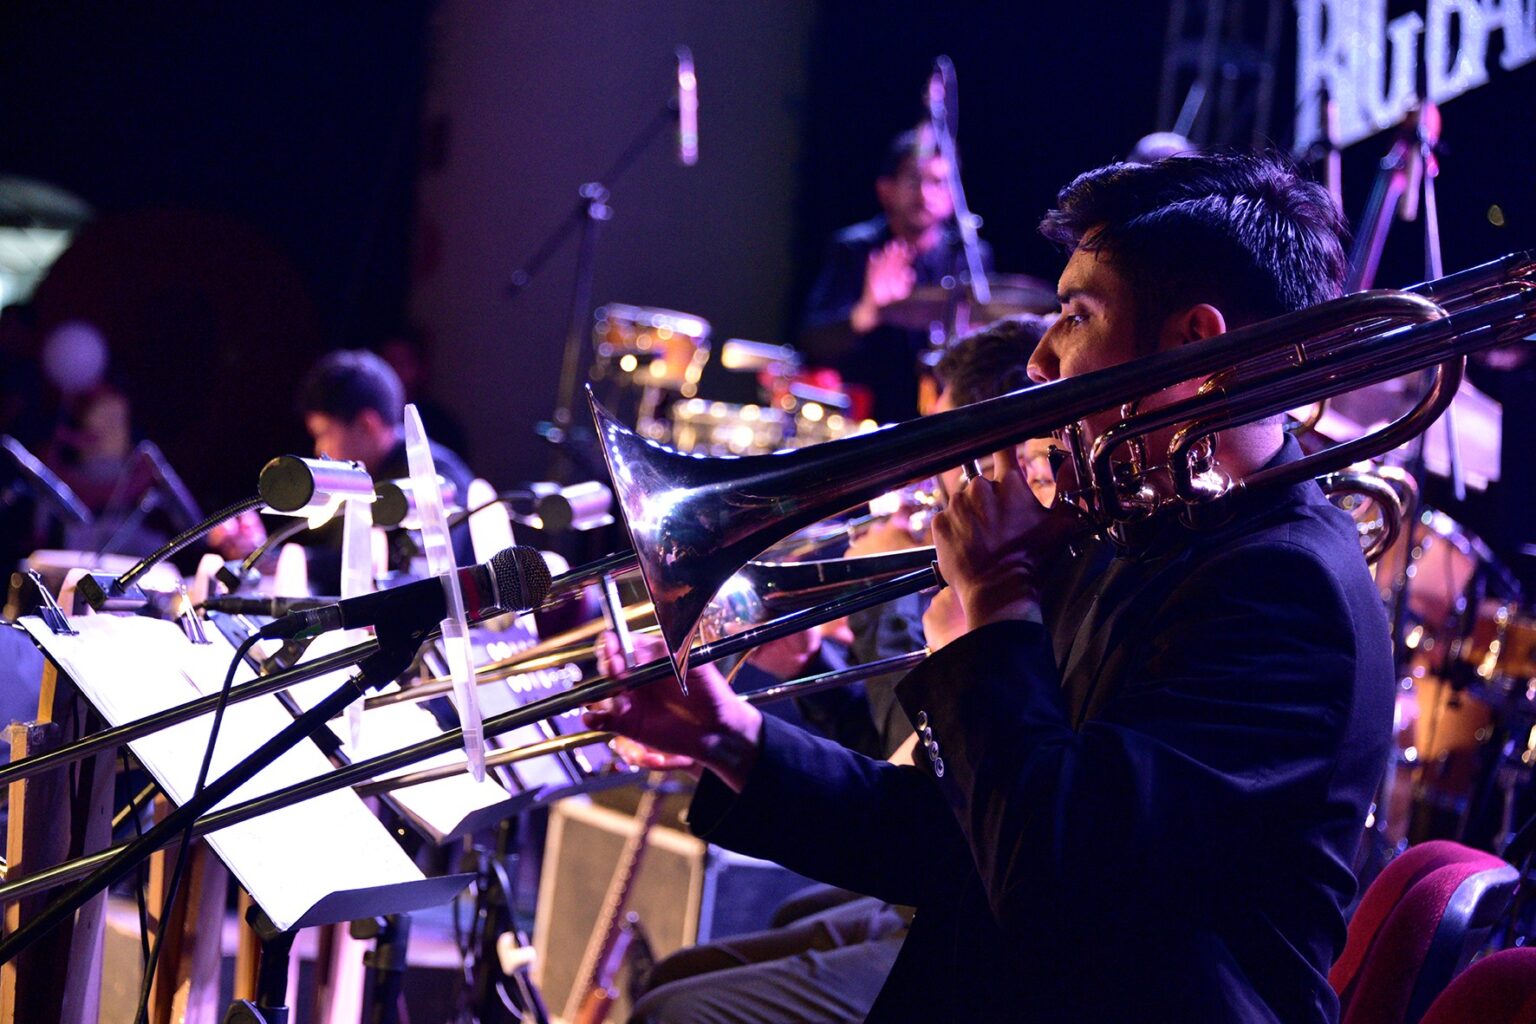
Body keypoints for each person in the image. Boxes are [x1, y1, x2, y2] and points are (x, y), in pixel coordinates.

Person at [587, 153, 1395, 1021]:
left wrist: (998, 604)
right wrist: (732, 736)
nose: (1041, 358)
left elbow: (1052, 885)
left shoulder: (1283, 587)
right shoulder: (1152, 526)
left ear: (1195, 344)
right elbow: (964, 836)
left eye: (1077, 316)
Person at [623, 315, 1053, 1024]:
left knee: (677, 1008)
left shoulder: (1020, 573)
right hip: (932, 880)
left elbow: (923, 749)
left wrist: (892, 612)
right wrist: (815, 661)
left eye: (940, 440)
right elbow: (898, 757)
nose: (925, 472)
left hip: (984, 922)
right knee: (683, 973)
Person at [800, 128, 992, 424]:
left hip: (942, 420)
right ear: (885, 189)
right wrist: (868, 310)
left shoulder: (968, 255)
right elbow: (812, 340)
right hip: (864, 421)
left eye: (938, 182)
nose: (925, 193)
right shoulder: (855, 249)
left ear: (954, 195)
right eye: (914, 179)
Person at [294, 349, 477, 590]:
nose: (319, 448)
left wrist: (299, 562)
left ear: (366, 425)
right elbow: (341, 557)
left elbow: (415, 573)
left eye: (324, 433)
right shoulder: (365, 476)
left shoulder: (436, 476)